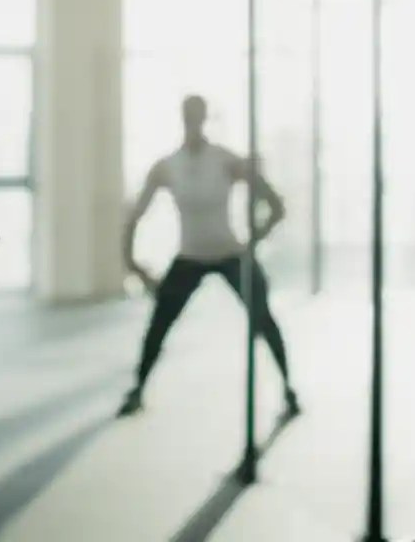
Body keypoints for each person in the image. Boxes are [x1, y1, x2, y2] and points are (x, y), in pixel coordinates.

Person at [118, 95, 299, 418]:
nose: (192, 120)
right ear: (182, 116)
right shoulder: (166, 167)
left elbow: (276, 205)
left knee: (264, 318)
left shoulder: (224, 160)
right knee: (158, 325)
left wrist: (253, 242)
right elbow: (134, 216)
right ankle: (137, 390)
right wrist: (133, 266)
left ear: (204, 117)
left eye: (197, 115)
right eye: (188, 114)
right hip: (190, 256)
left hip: (230, 253)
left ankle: (289, 391)